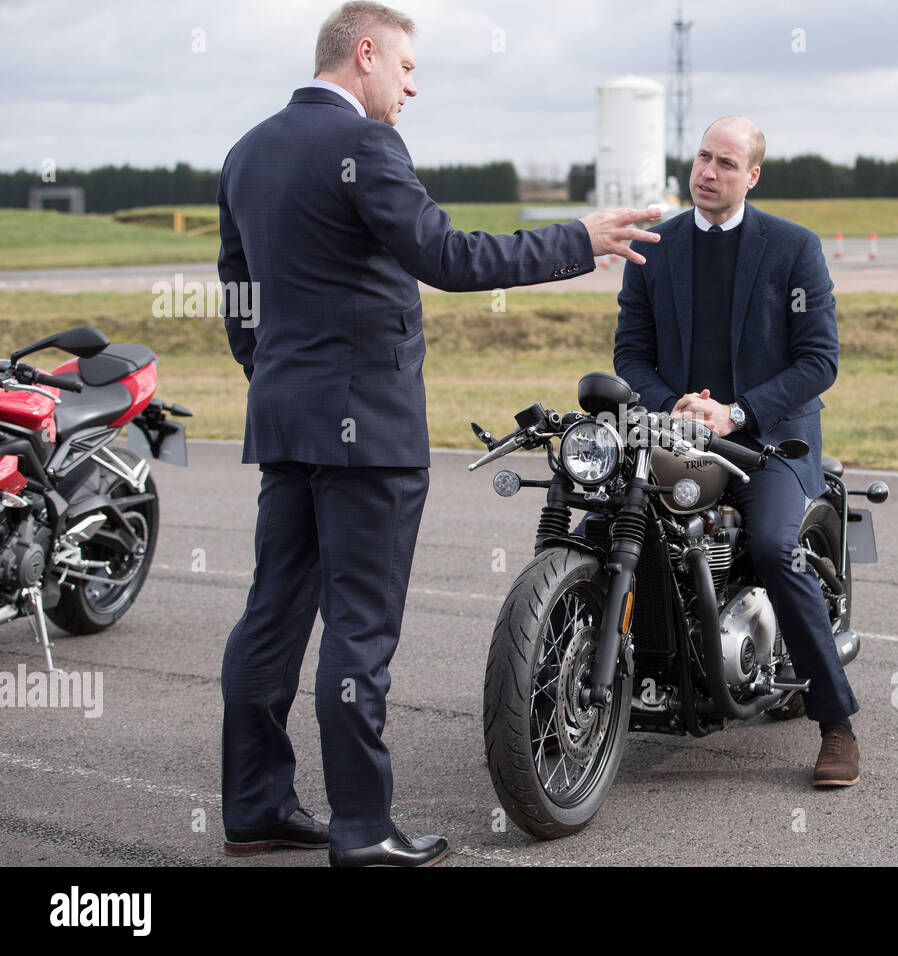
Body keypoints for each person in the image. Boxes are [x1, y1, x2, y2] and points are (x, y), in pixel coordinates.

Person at [217, 0, 660, 868]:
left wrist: (271, 379)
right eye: (409, 69)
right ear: (367, 53)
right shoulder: (365, 145)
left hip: (288, 422)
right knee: (359, 630)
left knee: (271, 617)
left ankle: (256, 804)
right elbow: (449, 257)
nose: (413, 87)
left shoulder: (248, 150)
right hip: (367, 433)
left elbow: (240, 295)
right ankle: (362, 829)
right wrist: (580, 241)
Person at [613, 115, 859, 788]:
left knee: (777, 548)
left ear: (752, 175)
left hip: (768, 440)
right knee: (595, 528)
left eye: (725, 162)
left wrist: (736, 411)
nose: (707, 172)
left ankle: (836, 723)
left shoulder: (793, 248)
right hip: (673, 432)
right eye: (701, 158)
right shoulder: (653, 243)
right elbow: (630, 351)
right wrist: (676, 406)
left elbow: (819, 361)